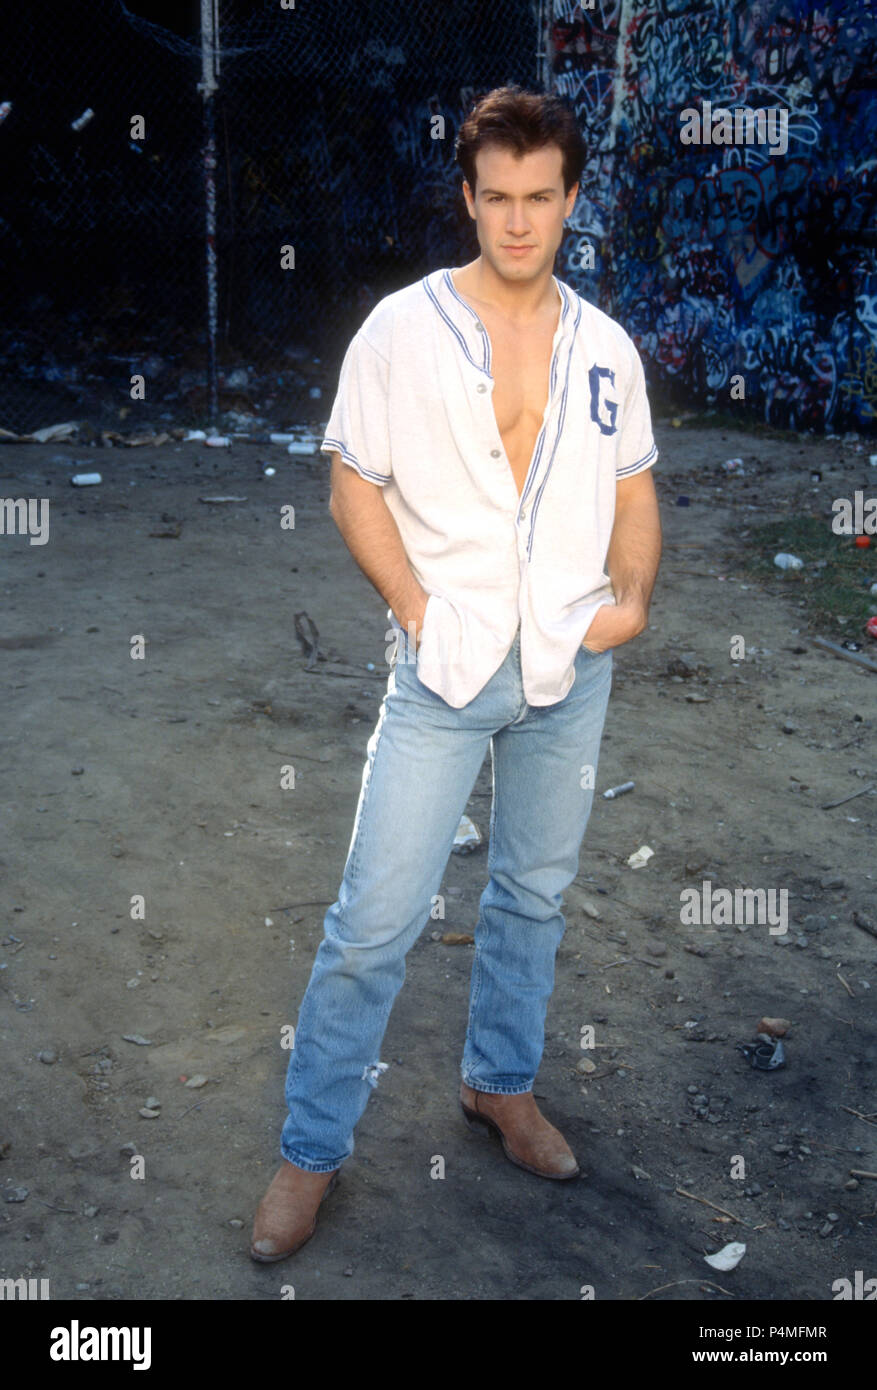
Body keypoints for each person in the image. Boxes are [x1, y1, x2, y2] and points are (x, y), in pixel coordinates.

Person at [251, 85, 662, 1263]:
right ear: (468, 197)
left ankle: (500, 1084)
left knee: (531, 894)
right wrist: (418, 611)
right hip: (444, 671)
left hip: (569, 667)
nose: (519, 222)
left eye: (542, 199)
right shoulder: (401, 331)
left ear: (570, 200)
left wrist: (628, 600)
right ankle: (308, 1152)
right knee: (375, 920)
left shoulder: (607, 350)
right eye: (498, 199)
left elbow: (634, 492)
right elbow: (351, 480)